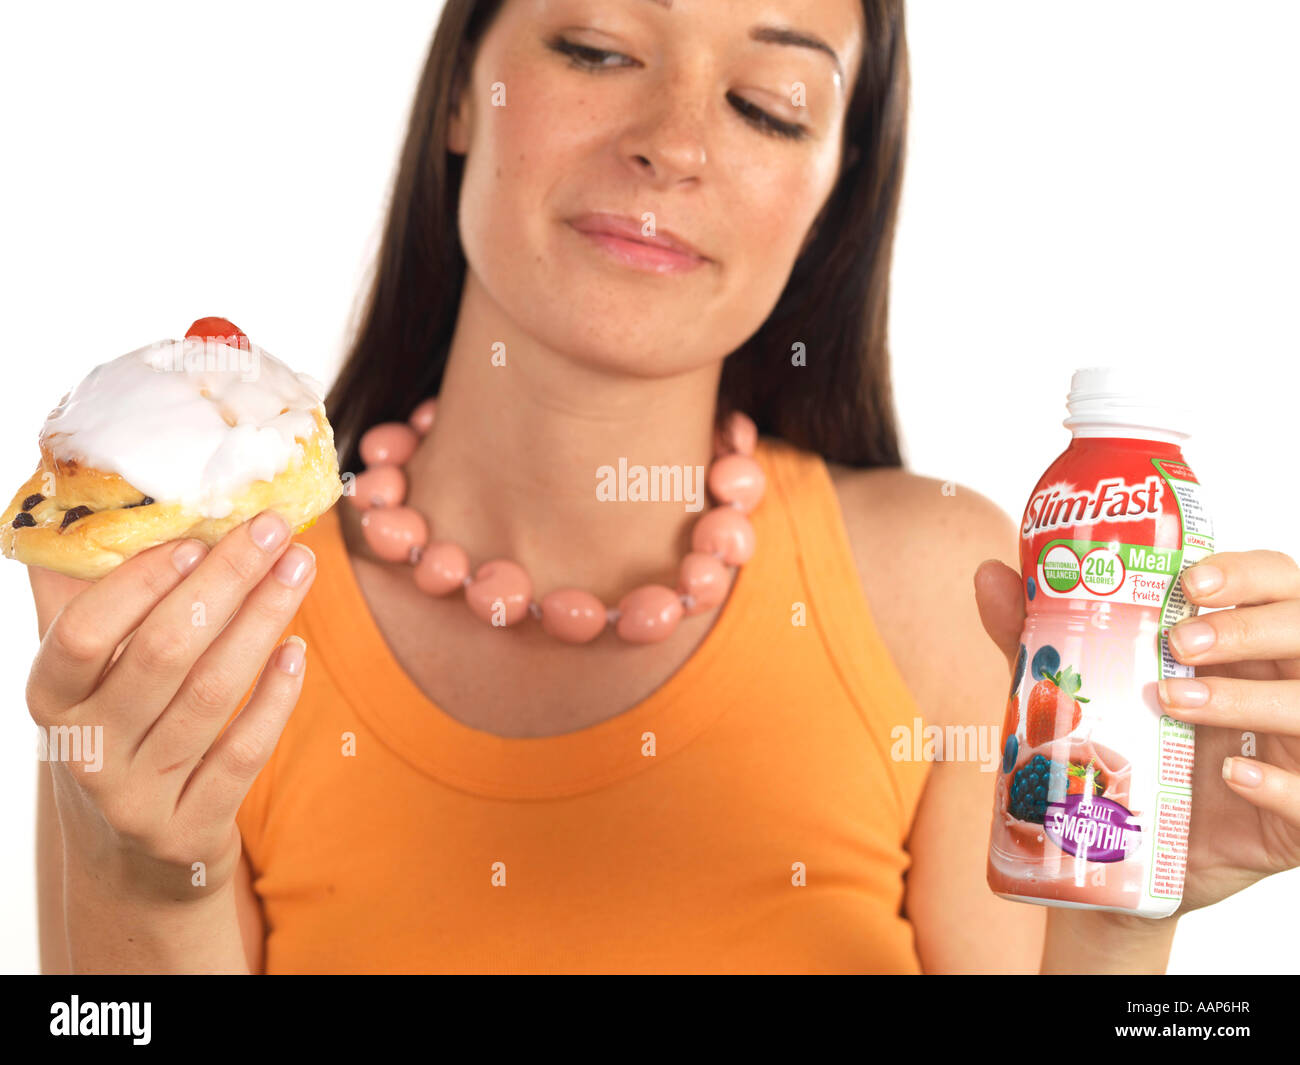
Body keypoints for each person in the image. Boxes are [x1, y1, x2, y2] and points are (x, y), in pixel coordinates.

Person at [28, 0, 1300, 974]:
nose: (675, 143)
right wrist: (140, 874)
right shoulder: (204, 609)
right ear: (463, 90)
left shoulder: (938, 597)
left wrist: (1130, 926)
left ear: (831, 189)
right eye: (594, 46)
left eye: (766, 105)